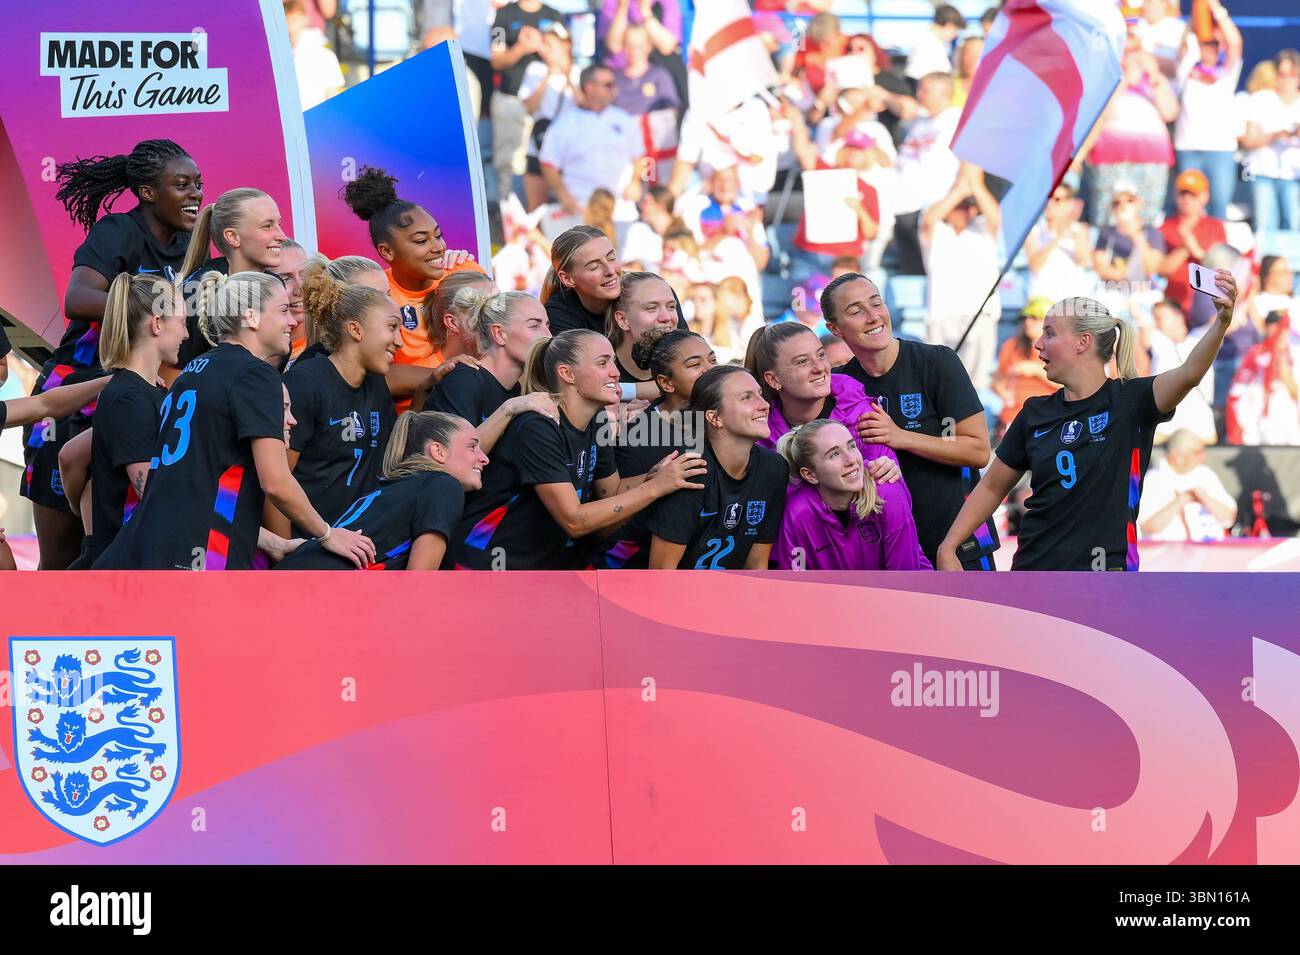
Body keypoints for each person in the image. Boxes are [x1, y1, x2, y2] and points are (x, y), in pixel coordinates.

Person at [938, 275, 1239, 571]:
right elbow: (991, 486)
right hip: (1034, 574)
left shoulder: (1132, 400)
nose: (1039, 344)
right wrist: (950, 545)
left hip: (1107, 580)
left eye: (1050, 333)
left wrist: (1222, 323)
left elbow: (1189, 373)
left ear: (1084, 342)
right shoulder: (1034, 412)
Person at [94, 271, 375, 570]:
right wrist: (327, 534)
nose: (292, 321)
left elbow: (196, 490)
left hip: (144, 548)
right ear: (251, 317)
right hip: (199, 556)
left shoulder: (192, 370)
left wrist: (274, 543)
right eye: (282, 311)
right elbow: (276, 482)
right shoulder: (255, 374)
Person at [23, 138, 201, 570]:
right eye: (182, 185)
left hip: (139, 398)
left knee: (109, 548)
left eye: (199, 183)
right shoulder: (119, 231)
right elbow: (78, 298)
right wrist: (150, 306)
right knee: (62, 561)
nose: (196, 194)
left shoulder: (195, 245)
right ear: (147, 192)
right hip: (75, 392)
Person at [446, 329, 706, 569]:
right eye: (603, 363)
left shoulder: (597, 418)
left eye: (614, 362)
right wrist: (655, 487)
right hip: (485, 563)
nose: (615, 372)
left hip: (540, 568)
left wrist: (652, 476)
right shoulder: (537, 426)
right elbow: (575, 520)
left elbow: (611, 493)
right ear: (567, 374)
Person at [823, 272, 999, 569]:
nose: (872, 316)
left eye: (876, 303)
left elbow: (978, 451)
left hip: (958, 546)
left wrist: (900, 436)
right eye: (855, 311)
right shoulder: (842, 385)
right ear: (835, 328)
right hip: (887, 551)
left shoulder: (937, 362)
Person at [745, 321, 928, 568]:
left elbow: (887, 500)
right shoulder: (759, 434)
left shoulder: (863, 414)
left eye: (820, 355)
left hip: (887, 568)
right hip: (812, 578)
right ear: (773, 379)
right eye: (802, 362)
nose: (820, 367)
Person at [273, 270, 401, 539]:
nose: (399, 341)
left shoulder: (376, 383)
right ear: (355, 330)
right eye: (392, 327)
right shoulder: (305, 384)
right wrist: (285, 556)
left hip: (359, 545)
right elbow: (275, 484)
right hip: (311, 547)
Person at [341, 166, 480, 411]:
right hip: (411, 421)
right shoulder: (378, 294)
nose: (438, 247)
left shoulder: (464, 270)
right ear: (387, 251)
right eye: (421, 241)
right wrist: (447, 369)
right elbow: (379, 377)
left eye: (438, 235)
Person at [275, 411, 486, 570]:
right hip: (313, 590)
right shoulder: (444, 485)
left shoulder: (398, 486)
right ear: (438, 451)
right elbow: (420, 585)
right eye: (472, 446)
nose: (484, 457)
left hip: (292, 574)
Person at [639, 365, 788, 569]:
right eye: (747, 397)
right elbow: (661, 575)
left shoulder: (774, 468)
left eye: (760, 395)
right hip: (660, 593)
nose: (764, 405)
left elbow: (756, 566)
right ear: (714, 418)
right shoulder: (690, 470)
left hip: (726, 594)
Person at [85, 273, 189, 566]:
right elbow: (153, 495)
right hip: (130, 571)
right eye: (182, 323)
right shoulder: (129, 399)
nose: (186, 334)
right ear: (157, 324)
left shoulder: (146, 392)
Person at [774, 419, 931, 570]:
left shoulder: (887, 492)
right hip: (834, 596)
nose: (851, 460)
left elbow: (904, 577)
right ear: (810, 475)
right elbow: (795, 585)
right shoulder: (796, 513)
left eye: (852, 446)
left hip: (907, 593)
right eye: (834, 454)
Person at [424, 288, 557, 451]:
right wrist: (508, 409)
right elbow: (454, 456)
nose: (548, 336)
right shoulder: (463, 381)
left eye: (547, 325)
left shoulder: (518, 390)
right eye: (534, 326)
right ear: (499, 334)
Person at [178, 186, 291, 369]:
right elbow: (170, 372)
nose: (282, 236)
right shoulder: (196, 290)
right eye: (267, 226)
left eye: (279, 224)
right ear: (232, 236)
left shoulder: (274, 283)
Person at [922, 164, 1003, 390]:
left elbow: (995, 215)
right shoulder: (938, 230)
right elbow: (930, 218)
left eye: (968, 206)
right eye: (958, 207)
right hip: (941, 314)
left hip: (980, 313)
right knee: (938, 383)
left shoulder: (984, 230)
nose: (964, 210)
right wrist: (959, 189)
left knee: (973, 386)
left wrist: (976, 184)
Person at [1083, 43, 1178, 227]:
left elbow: (1169, 112)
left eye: (1135, 52)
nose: (1131, 57)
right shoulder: (1106, 76)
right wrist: (1123, 79)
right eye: (1126, 52)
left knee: (1147, 216)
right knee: (1106, 216)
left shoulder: (1155, 79)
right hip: (1109, 159)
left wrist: (1154, 75)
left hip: (1152, 160)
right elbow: (1102, 112)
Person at [538, 64, 646, 218]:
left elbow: (642, 157)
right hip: (581, 208)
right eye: (608, 85)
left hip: (620, 208)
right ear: (590, 87)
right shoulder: (565, 123)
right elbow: (548, 163)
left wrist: (637, 181)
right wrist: (563, 195)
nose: (614, 89)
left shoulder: (624, 119)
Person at [489, 0, 568, 202]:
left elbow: (565, 56)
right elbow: (496, 60)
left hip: (548, 103)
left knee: (548, 160)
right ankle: (509, 215)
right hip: (512, 99)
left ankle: (544, 213)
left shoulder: (554, 15)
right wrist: (522, 48)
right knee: (510, 162)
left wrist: (542, 45)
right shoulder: (504, 15)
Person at [1172, 0, 1243, 221]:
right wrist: (1198, 14)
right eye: (1206, 43)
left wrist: (1214, 8)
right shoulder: (1187, 68)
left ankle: (1216, 253)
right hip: (1188, 147)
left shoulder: (1226, 73)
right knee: (1187, 209)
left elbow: (1235, 41)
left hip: (1220, 148)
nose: (1210, 48)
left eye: (1214, 44)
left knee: (1218, 208)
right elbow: (1185, 42)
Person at [518, 23, 581, 210]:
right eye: (543, 44)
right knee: (536, 207)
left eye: (550, 44)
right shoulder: (535, 70)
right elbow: (529, 106)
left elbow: (584, 104)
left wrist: (568, 74)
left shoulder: (579, 72)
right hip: (539, 142)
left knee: (569, 205)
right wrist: (547, 77)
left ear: (566, 45)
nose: (545, 49)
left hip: (569, 146)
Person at [1138, 428, 1236, 541]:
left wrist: (1205, 497)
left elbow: (1228, 517)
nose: (1203, 457)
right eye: (1197, 453)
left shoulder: (1205, 474)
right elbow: (1149, 527)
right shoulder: (1154, 480)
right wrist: (1181, 500)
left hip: (1211, 552)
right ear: (1178, 456)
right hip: (1168, 555)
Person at [1240, 49, 1300, 234]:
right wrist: (1275, 136)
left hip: (1294, 175)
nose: (1288, 80)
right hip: (1262, 173)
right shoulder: (1261, 99)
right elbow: (1248, 140)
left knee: (1294, 225)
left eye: (1293, 74)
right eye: (1282, 75)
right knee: (1265, 226)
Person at [1158, 168, 1227, 318]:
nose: (1187, 199)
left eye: (1193, 194)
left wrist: (1194, 249)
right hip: (1174, 305)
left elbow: (1222, 270)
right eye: (1183, 193)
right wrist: (1185, 248)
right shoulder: (1164, 228)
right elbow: (1162, 270)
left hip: (1208, 305)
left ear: (1205, 196)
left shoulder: (1216, 227)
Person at [1225, 310, 1300, 446]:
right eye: (1275, 326)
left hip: (1287, 415)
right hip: (1260, 416)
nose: (1279, 331)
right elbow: (1239, 389)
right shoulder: (1255, 354)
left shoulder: (1294, 354)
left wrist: (1281, 364)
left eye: (1283, 327)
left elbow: (1295, 392)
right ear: (1267, 327)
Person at [607, 272, 680, 400]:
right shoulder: (602, 364)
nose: (666, 317)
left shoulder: (687, 355)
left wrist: (622, 391)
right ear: (623, 320)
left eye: (671, 307)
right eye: (652, 308)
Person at [992, 298, 1057, 440]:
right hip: (1013, 419)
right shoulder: (1012, 345)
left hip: (1048, 420)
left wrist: (1036, 370)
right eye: (1025, 318)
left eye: (1034, 318)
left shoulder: (1060, 348)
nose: (1028, 322)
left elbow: (1073, 384)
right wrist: (1001, 390)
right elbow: (996, 380)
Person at [1024, 183, 1093, 302]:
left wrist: (1069, 225)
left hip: (1071, 306)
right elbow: (1035, 266)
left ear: (1069, 203)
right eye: (1048, 198)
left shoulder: (1079, 230)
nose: (1050, 203)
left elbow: (1083, 260)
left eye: (1057, 199)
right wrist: (1058, 237)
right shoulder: (1034, 230)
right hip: (1042, 303)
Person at [906, 4, 964, 82]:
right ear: (949, 25)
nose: (955, 35)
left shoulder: (926, 39)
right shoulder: (930, 44)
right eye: (955, 30)